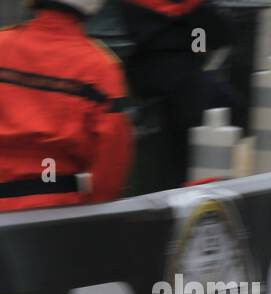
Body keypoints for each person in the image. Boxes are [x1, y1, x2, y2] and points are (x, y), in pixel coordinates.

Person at [0, 0, 132, 211]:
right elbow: (111, 160)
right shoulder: (99, 66)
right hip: (56, 207)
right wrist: (95, 207)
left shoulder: (2, 43)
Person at [119, 0, 239, 187]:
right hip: (182, 86)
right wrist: (196, 48)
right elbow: (217, 32)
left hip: (138, 79)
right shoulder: (190, 8)